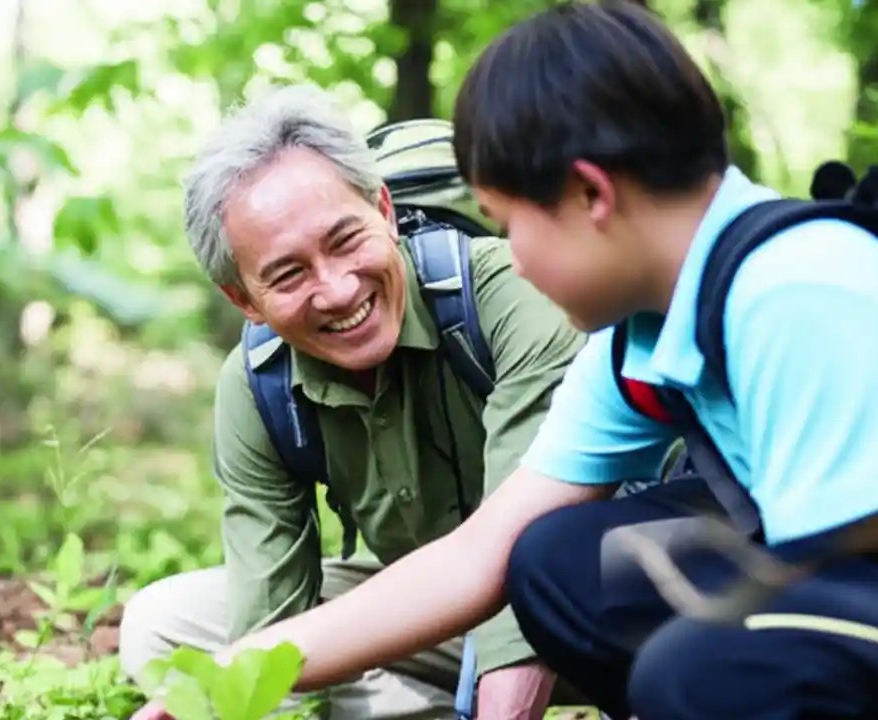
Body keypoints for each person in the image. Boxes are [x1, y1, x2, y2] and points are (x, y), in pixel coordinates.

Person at [132, 2, 878, 719]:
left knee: (701, 667)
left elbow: (853, 573)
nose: (514, 261)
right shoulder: (639, 338)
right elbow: (481, 556)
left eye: (509, 224)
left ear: (590, 195)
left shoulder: (798, 294)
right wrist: (226, 670)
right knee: (558, 566)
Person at [119, 84, 590, 718]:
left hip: (593, 609)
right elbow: (269, 625)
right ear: (244, 300)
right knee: (163, 624)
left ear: (385, 210)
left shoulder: (511, 295)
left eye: (346, 240)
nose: (338, 290)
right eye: (288, 275)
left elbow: (530, 543)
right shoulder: (258, 386)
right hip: (432, 613)